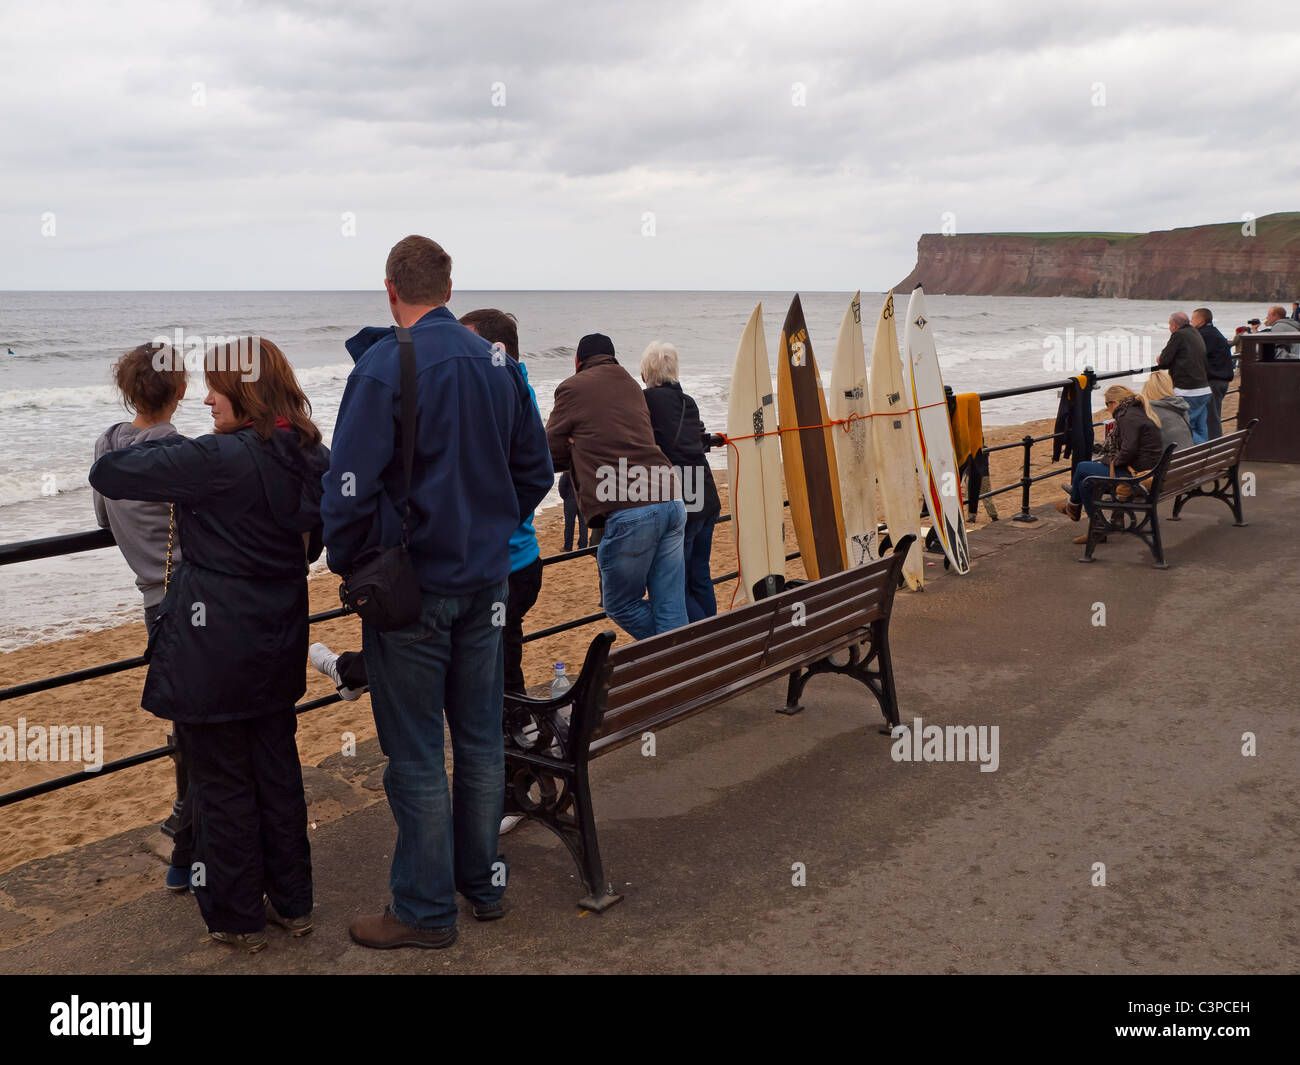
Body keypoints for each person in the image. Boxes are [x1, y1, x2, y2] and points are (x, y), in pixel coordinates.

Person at [322, 236, 552, 950]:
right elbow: (535, 472)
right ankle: (481, 884)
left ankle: (423, 910)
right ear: (450, 288)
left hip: (412, 589)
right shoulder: (498, 364)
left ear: (390, 289)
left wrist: (355, 560)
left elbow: (347, 488)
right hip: (486, 581)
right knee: (480, 739)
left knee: (417, 750)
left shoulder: (386, 367)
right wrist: (486, 525)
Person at [89, 337, 329, 954]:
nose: (207, 398)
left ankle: (237, 917)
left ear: (243, 390)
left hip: (213, 645)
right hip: (277, 638)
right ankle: (294, 902)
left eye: (216, 387)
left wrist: (147, 432)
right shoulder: (309, 452)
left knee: (221, 779)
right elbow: (313, 546)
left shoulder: (215, 458)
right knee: (275, 768)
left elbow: (109, 473)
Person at [91, 341, 194, 893]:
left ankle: (185, 839)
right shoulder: (182, 452)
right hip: (196, 599)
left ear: (128, 390)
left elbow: (104, 520)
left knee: (185, 721)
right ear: (179, 391)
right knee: (206, 726)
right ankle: (188, 841)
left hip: (153, 600)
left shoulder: (108, 448)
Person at [546, 333, 687, 640]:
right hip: (672, 498)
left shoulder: (571, 388)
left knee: (620, 604)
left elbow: (550, 454)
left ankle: (674, 653)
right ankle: (680, 667)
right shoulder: (632, 385)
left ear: (577, 362)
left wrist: (576, 446)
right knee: (670, 605)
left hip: (630, 506)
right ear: (614, 358)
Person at [640, 340, 720, 622]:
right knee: (700, 576)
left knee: (677, 584)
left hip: (683, 503)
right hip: (707, 496)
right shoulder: (689, 402)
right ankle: (719, 636)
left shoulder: (644, 402)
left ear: (645, 373)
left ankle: (708, 640)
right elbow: (695, 438)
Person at [1055, 385, 1163, 545]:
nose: (1107, 409)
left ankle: (1074, 507)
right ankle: (1091, 523)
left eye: (1107, 405)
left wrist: (1108, 461)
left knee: (1082, 468)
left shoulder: (1127, 416)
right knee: (1086, 482)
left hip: (1138, 478)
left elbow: (1129, 450)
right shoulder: (1137, 411)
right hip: (1149, 472)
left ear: (1114, 402)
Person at [1156, 312, 1211, 443]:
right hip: (1204, 388)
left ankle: (1205, 452)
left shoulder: (1178, 335)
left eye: (1169, 325)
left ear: (1174, 326)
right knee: (1201, 426)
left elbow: (1164, 361)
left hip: (1187, 390)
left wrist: (1160, 359)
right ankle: (1205, 457)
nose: (1169, 328)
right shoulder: (1196, 332)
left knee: (1186, 427)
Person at [1190, 308, 1234, 439]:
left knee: (1211, 418)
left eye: (1193, 319)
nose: (1191, 322)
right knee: (1212, 416)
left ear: (1201, 320)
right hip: (1222, 380)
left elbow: (1193, 355)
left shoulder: (1202, 335)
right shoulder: (1215, 333)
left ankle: (1214, 447)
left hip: (1212, 381)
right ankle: (1210, 445)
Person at [1140, 371, 1193, 451]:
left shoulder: (1149, 410)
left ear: (1147, 388)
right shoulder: (1180, 405)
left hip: (1170, 461)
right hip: (1190, 458)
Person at [559, 471, 587, 552]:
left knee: (569, 525)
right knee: (584, 524)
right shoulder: (583, 468)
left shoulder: (567, 470)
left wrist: (565, 497)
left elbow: (561, 486)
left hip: (570, 500)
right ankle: (583, 546)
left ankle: (568, 547)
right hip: (582, 500)